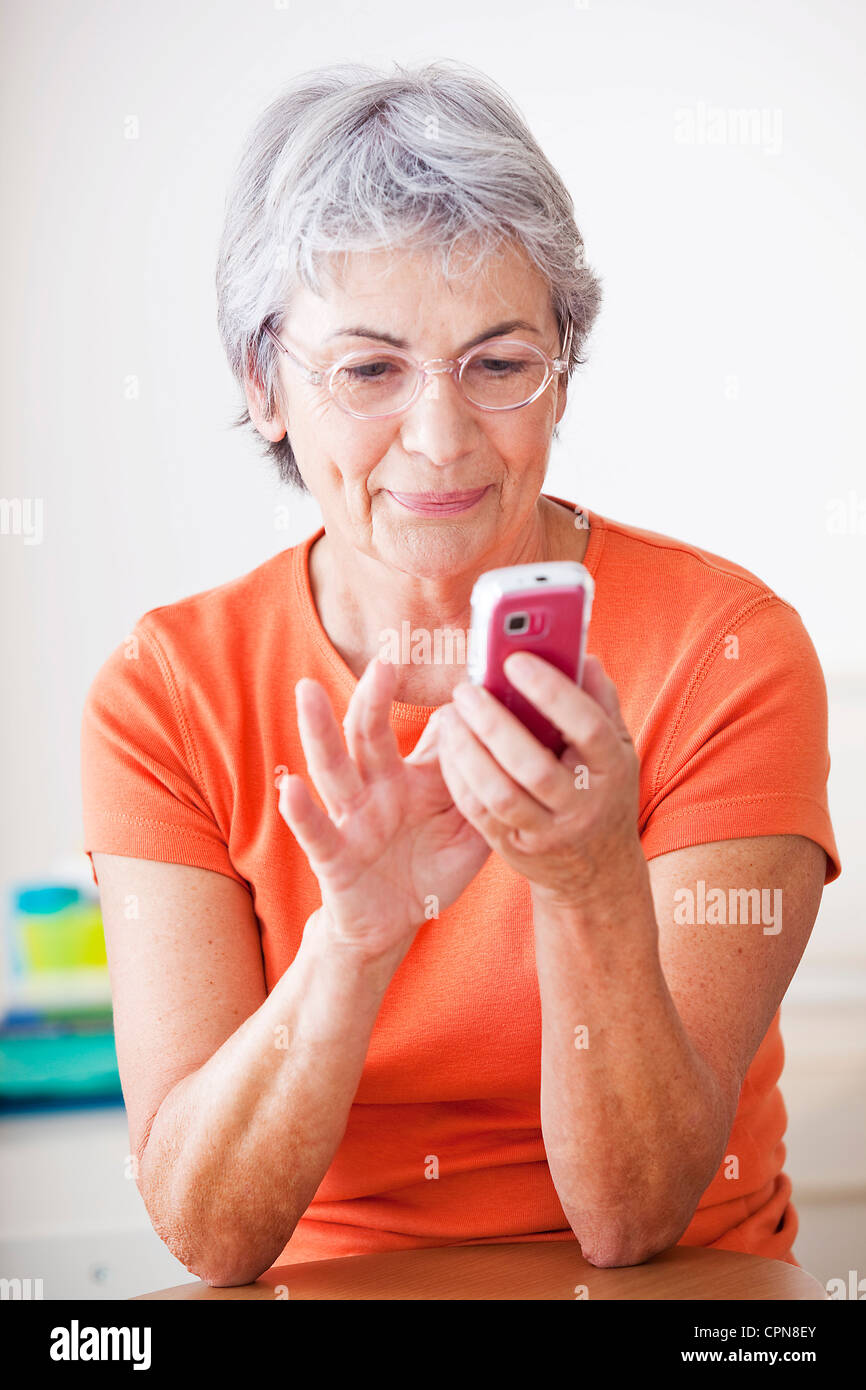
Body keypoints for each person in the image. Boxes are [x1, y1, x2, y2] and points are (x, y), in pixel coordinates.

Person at [81, 60, 841, 1288]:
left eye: (497, 365)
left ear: (561, 369)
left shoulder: (726, 651)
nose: (438, 441)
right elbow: (209, 1236)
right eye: (369, 371)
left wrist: (588, 883)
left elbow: (632, 1218)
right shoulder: (163, 689)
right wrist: (352, 943)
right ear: (262, 385)